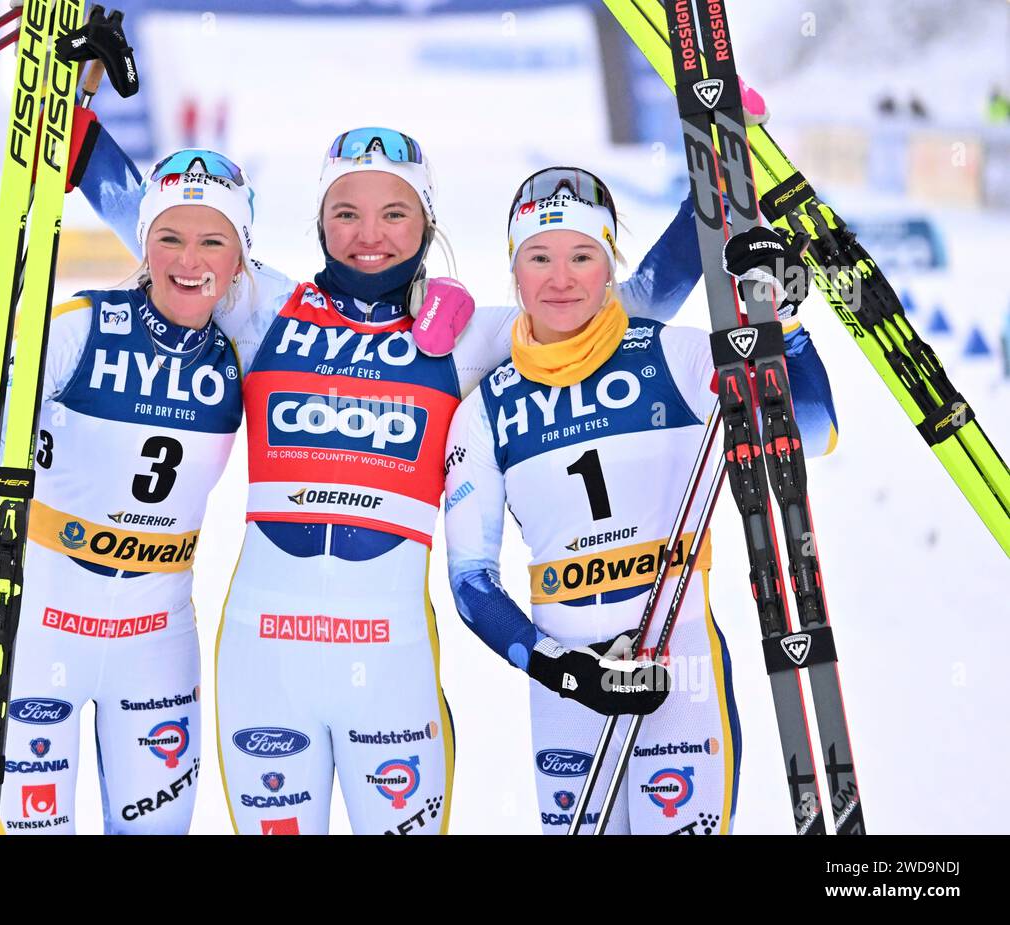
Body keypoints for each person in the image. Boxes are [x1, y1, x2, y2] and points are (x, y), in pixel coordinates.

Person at [70, 124, 720, 834]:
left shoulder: (464, 339)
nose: (369, 235)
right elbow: (178, 240)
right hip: (264, 667)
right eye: (346, 212)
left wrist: (719, 186)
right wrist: (79, 133)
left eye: (395, 212)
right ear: (320, 220)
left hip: (391, 674)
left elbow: (621, 311)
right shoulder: (265, 312)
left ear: (427, 221)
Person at [443, 166, 838, 835]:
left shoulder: (674, 357)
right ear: (513, 271)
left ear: (610, 265)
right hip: (567, 691)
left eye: (582, 255)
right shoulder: (484, 411)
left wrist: (784, 324)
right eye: (538, 257)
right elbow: (470, 583)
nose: (561, 278)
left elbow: (813, 429)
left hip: (680, 667)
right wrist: (564, 669)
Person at [0, 149, 253, 833]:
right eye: (169, 237)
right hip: (40, 633)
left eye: (212, 242)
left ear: (240, 258)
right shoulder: (80, 326)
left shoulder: (242, 352)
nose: (188, 261)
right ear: (144, 243)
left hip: (156, 645)